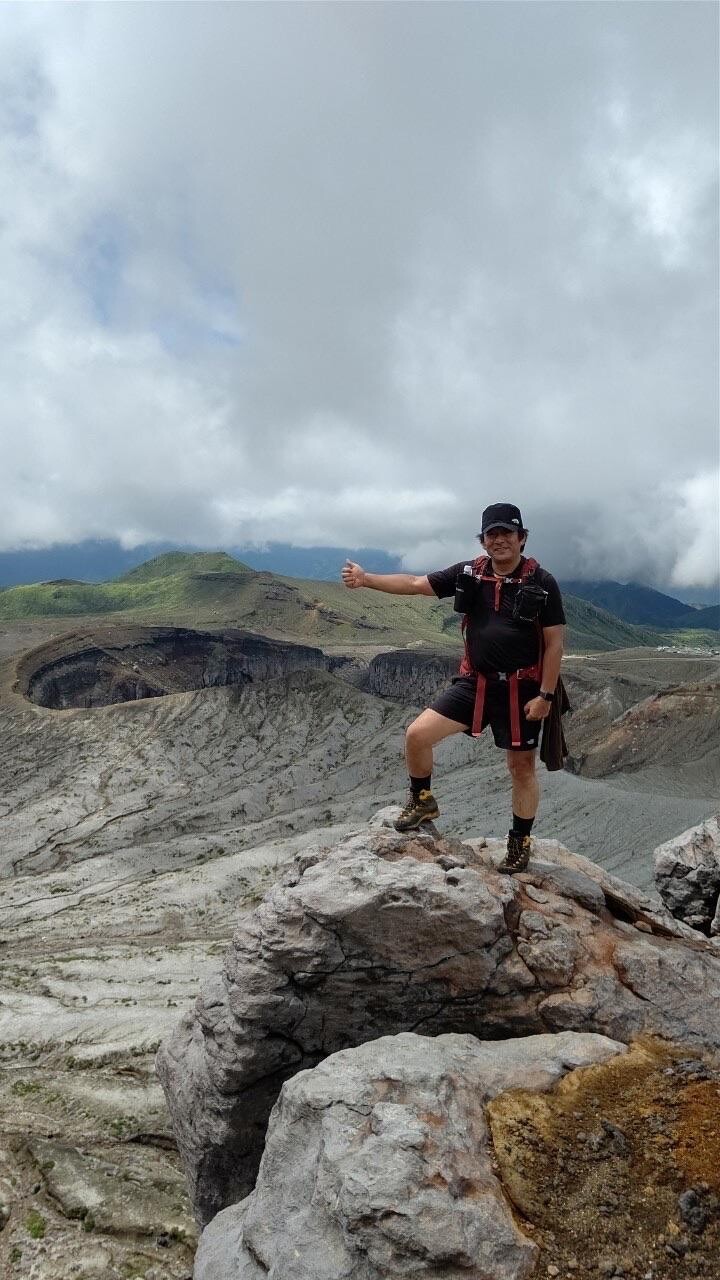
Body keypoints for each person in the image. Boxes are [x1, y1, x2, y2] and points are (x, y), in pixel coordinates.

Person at [341, 503, 566, 873]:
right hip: (475, 684)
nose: (500, 540)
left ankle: (520, 841)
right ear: (483, 541)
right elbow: (415, 584)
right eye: (492, 534)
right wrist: (366, 579)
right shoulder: (469, 573)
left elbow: (555, 643)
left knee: (521, 767)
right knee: (417, 735)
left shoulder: (542, 581)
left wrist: (545, 696)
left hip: (521, 690)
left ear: (522, 538)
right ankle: (422, 800)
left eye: (507, 533)